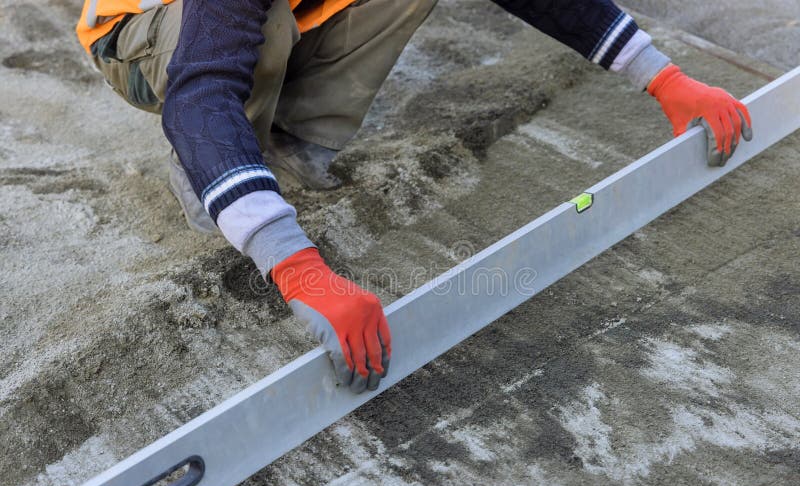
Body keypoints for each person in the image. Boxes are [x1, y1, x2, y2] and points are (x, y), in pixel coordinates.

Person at [76, 0, 753, 394]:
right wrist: (297, 266)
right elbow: (202, 86)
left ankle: (280, 141)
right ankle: (217, 172)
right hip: (144, 31)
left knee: (283, 23)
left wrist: (663, 78)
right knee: (260, 37)